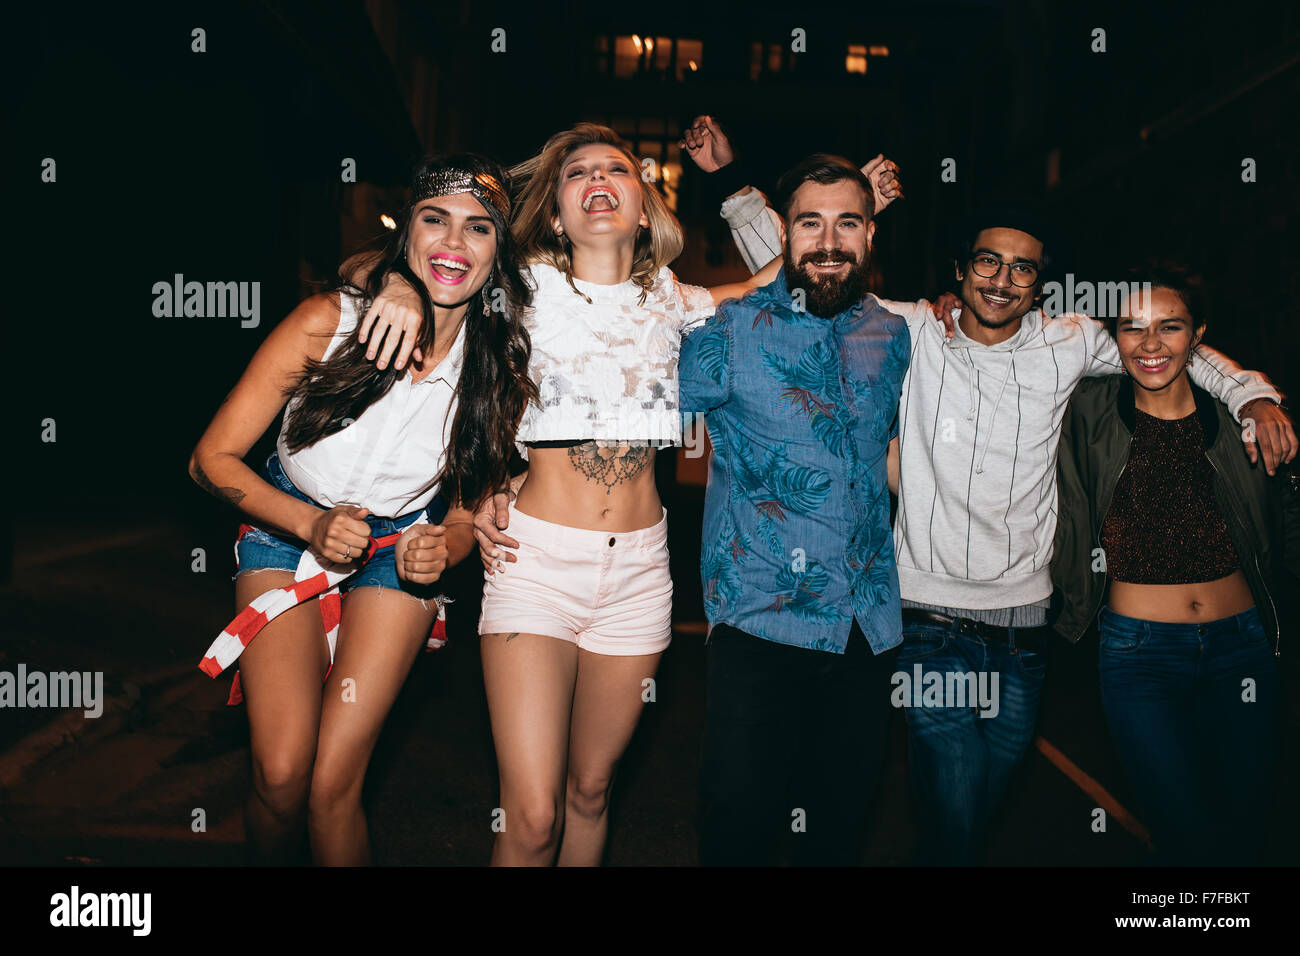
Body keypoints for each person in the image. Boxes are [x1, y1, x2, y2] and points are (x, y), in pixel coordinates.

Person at [687, 125, 1294, 863]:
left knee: (977, 809)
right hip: (926, 622)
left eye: (1022, 269)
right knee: (953, 804)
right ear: (961, 270)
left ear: (1042, 284)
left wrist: (1253, 395)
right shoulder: (908, 328)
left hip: (1024, 634)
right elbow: (814, 269)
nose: (1001, 280)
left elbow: (1163, 345)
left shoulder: (1070, 341)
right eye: (987, 262)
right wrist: (732, 190)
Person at [358, 124, 904, 866]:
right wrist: (394, 279)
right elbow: (415, 262)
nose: (597, 180)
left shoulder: (678, 303)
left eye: (616, 168)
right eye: (576, 172)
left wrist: (851, 211)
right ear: (555, 212)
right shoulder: (519, 290)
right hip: (534, 561)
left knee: (590, 791)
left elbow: (797, 275)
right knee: (534, 815)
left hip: (642, 574)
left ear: (644, 205)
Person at [188, 154, 536, 865]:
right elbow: (210, 460)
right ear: (406, 232)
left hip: (395, 563)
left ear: (498, 251)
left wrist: (446, 547)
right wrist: (310, 524)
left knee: (331, 786)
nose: (452, 245)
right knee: (281, 775)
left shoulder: (496, 370)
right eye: (434, 220)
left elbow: (467, 512)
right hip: (286, 531)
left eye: (477, 229)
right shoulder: (329, 321)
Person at [679, 153, 910, 865]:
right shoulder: (728, 330)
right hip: (760, 624)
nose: (829, 241)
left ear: (872, 234)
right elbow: (628, 419)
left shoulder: (894, 335)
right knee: (738, 830)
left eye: (848, 222)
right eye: (811, 223)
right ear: (783, 233)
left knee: (839, 832)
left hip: (867, 628)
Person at [1052, 267, 1298, 864]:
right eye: (1133, 328)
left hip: (1241, 646)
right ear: (1114, 338)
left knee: (1247, 826)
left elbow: (1282, 527)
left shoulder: (1238, 415)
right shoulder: (1085, 409)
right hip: (1139, 656)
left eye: (1171, 326)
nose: (1152, 343)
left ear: (1198, 335)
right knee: (1184, 829)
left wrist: (1259, 398)